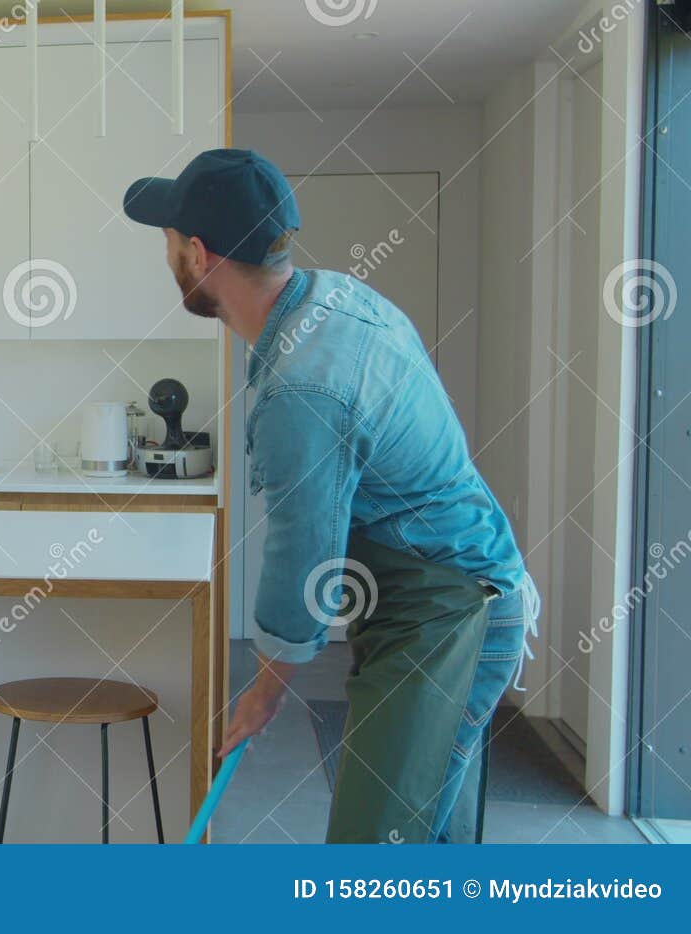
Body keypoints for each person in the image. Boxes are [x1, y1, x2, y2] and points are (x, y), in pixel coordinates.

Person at [123, 149, 540, 843]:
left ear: (199, 254)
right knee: (425, 839)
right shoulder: (336, 299)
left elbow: (302, 555)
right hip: (444, 592)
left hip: (452, 614)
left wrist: (264, 690)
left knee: (373, 853)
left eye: (169, 240)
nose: (167, 254)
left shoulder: (300, 388)